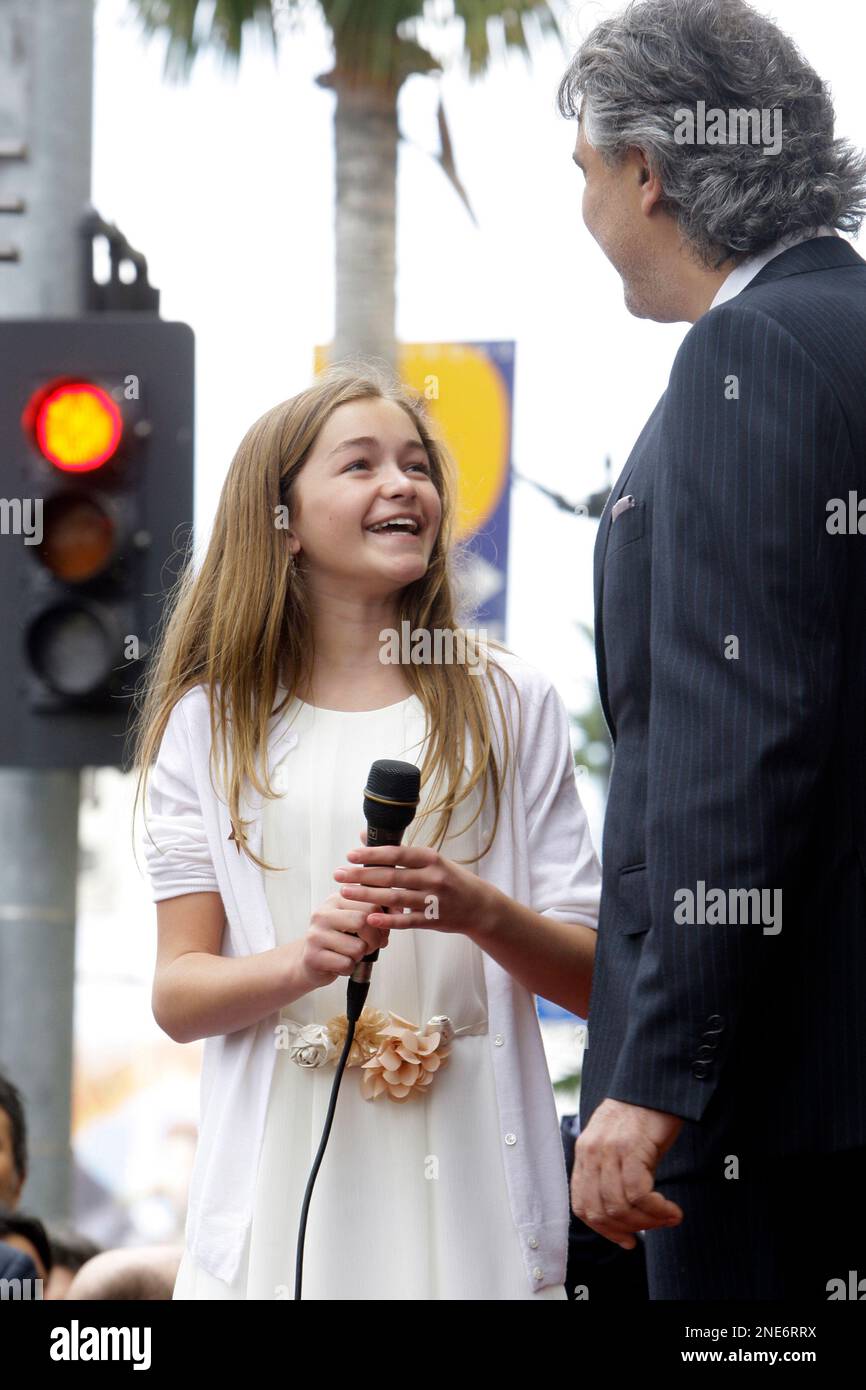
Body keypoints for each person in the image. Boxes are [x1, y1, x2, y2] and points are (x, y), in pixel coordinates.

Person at [133, 363, 602, 1300]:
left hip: (473, 1162)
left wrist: (478, 910)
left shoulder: (511, 701)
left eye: (418, 465)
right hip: (279, 1168)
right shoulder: (209, 722)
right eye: (359, 465)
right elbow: (179, 994)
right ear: (284, 522)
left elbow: (597, 978)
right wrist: (300, 964)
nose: (403, 485)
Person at [558, 0, 866, 1298]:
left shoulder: (747, 354)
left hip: (776, 1118)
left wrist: (654, 1075)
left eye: (582, 170)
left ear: (647, 172)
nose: (582, 211)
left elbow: (735, 738)